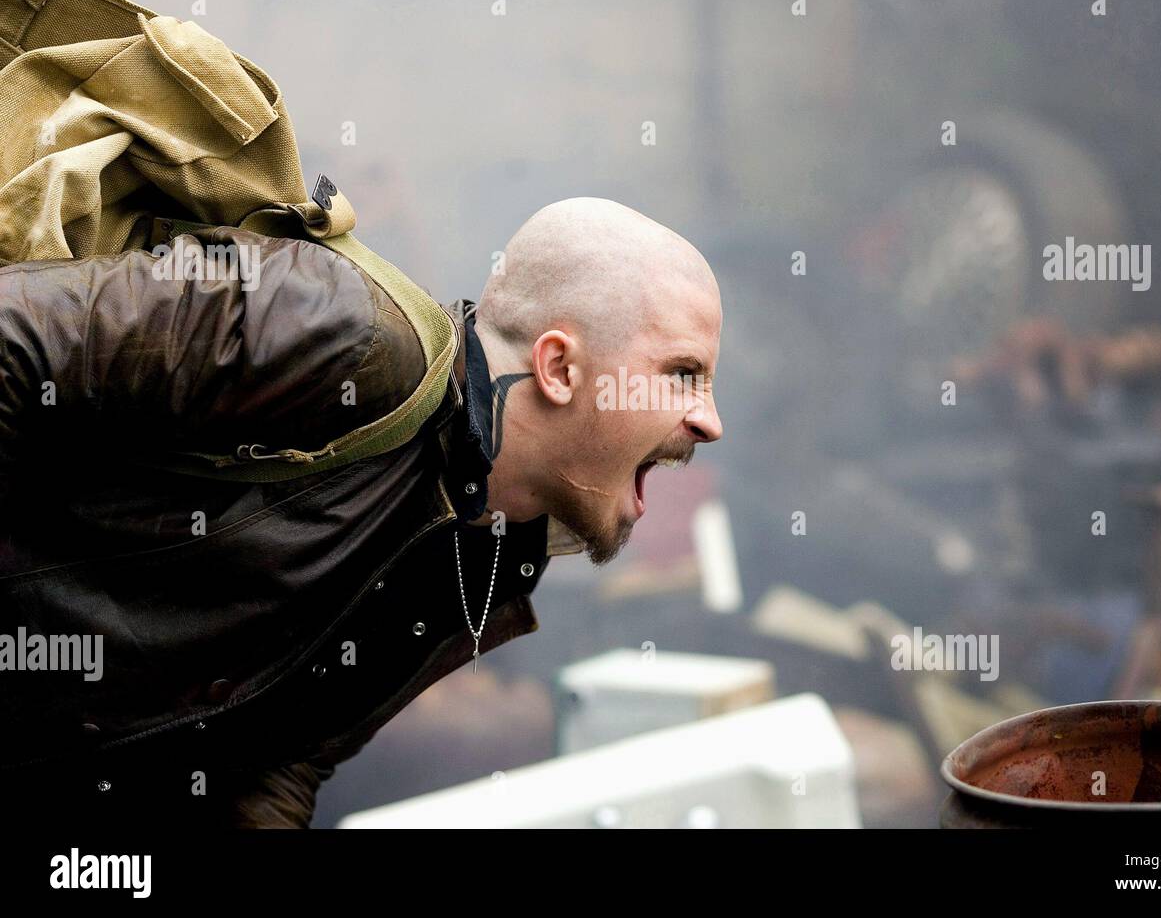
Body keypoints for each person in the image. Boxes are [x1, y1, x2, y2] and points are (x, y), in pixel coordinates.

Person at [0, 196, 723, 827]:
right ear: (561, 367)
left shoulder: (496, 555)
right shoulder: (335, 324)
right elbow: (13, 338)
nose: (708, 420)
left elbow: (278, 754)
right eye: (682, 374)